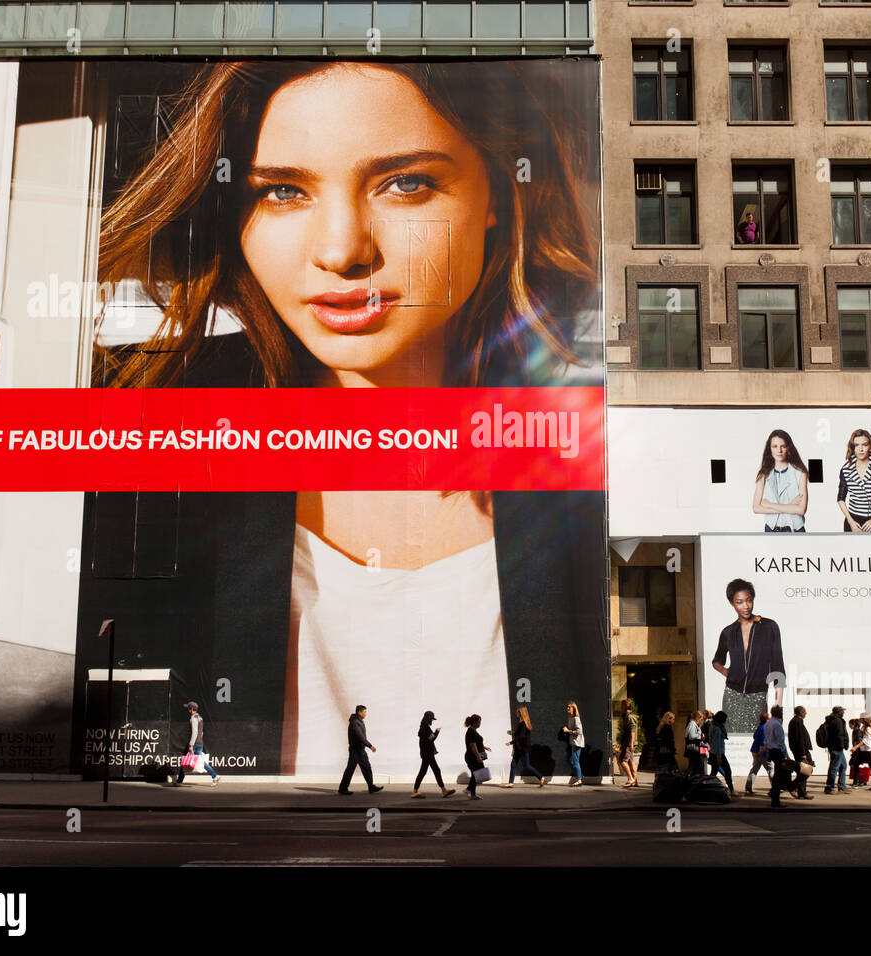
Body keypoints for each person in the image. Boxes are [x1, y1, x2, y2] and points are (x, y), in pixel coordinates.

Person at [78, 59, 607, 779]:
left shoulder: (587, 436)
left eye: (406, 183)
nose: (342, 250)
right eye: (283, 191)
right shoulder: (147, 434)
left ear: (500, 190)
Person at [712, 579, 785, 734]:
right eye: (739, 602)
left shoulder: (769, 627)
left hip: (758, 696)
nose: (745, 606)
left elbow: (778, 666)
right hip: (732, 695)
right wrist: (726, 672)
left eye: (749, 600)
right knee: (733, 744)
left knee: (758, 744)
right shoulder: (728, 632)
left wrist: (778, 709)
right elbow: (717, 660)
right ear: (732, 603)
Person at [753, 430, 808, 533]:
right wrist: (790, 506)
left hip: (795, 530)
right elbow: (756, 508)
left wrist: (769, 504)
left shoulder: (800, 473)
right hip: (771, 530)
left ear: (788, 448)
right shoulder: (763, 474)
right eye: (775, 446)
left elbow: (801, 510)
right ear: (770, 449)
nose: (779, 450)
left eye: (783, 446)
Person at [174, 701, 220, 786]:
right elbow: (201, 733)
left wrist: (191, 745)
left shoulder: (193, 718)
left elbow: (195, 732)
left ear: (191, 709)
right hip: (199, 743)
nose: (187, 709)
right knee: (200, 762)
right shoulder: (200, 718)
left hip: (194, 744)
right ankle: (214, 776)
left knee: (185, 761)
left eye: (188, 708)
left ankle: (179, 781)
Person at [339, 704, 382, 795]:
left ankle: (371, 786)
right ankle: (343, 788)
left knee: (366, 767)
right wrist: (370, 746)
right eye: (364, 712)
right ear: (359, 712)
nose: (366, 714)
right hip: (355, 750)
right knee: (350, 769)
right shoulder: (355, 722)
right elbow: (360, 736)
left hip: (360, 749)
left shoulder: (359, 721)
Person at [413, 710, 455, 798]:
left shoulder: (423, 727)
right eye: (431, 719)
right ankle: (443, 790)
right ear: (428, 718)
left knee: (425, 771)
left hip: (426, 753)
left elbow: (425, 741)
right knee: (434, 771)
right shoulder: (425, 727)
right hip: (428, 754)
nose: (432, 721)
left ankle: (416, 791)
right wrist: (436, 731)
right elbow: (431, 738)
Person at [505, 705, 545, 788]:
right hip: (519, 747)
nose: (516, 712)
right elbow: (520, 734)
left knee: (527, 766)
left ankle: (541, 777)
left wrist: (511, 742)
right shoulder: (521, 723)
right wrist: (513, 733)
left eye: (518, 711)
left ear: (521, 713)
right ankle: (511, 783)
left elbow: (521, 736)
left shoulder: (523, 724)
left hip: (523, 748)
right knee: (513, 764)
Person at [764, 705, 791, 808]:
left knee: (778, 774)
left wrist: (768, 753)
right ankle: (775, 796)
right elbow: (781, 742)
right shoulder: (777, 724)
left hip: (772, 751)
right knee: (780, 774)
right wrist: (786, 755)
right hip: (778, 751)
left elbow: (766, 740)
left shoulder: (768, 724)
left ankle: (774, 795)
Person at [788, 706, 814, 800]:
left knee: (802, 771)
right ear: (801, 712)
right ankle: (793, 787)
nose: (806, 714)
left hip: (799, 750)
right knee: (806, 771)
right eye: (805, 712)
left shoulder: (794, 721)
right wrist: (803, 753)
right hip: (801, 751)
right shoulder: (798, 721)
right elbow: (800, 738)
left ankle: (801, 792)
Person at [822, 706, 850, 794]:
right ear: (839, 712)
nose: (843, 712)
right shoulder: (837, 721)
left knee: (843, 766)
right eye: (842, 711)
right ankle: (829, 788)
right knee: (834, 768)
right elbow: (839, 735)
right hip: (837, 747)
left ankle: (841, 786)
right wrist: (842, 745)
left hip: (834, 747)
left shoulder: (831, 720)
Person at [851, 715, 871, 791]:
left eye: (860, 718)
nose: (859, 719)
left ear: (864, 719)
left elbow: (865, 741)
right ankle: (855, 783)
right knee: (856, 764)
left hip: (869, 751)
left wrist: (855, 747)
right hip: (863, 750)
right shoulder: (863, 727)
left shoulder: (868, 728)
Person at [746, 711, 774, 795]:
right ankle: (775, 787)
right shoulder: (766, 728)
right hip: (762, 752)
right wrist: (760, 751)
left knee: (754, 769)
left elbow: (754, 736)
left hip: (754, 750)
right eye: (769, 719)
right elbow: (763, 742)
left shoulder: (760, 727)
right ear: (766, 720)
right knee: (771, 769)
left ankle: (748, 787)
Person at [707, 711, 735, 795]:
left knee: (714, 772)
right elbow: (717, 744)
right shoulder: (718, 729)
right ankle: (731, 790)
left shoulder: (713, 725)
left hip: (713, 753)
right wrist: (719, 757)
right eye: (724, 719)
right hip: (718, 754)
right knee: (727, 771)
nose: (725, 721)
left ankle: (707, 788)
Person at [464, 714, 489, 800]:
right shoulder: (471, 731)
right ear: (474, 722)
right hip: (473, 757)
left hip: (477, 755)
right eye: (479, 722)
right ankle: (468, 790)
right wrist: (478, 757)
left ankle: (472, 794)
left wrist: (485, 747)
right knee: (477, 774)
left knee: (476, 775)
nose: (480, 723)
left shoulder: (473, 730)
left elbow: (477, 743)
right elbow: (472, 745)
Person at [562, 701, 586, 786]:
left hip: (577, 743)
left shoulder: (576, 718)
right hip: (572, 742)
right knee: (567, 759)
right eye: (567, 707)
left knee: (575, 761)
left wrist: (568, 731)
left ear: (574, 709)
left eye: (569, 707)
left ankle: (579, 780)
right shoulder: (570, 718)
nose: (567, 708)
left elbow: (579, 731)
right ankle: (579, 775)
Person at [616, 699, 639, 788]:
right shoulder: (626, 716)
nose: (621, 708)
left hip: (629, 743)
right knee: (630, 761)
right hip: (628, 742)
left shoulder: (630, 717)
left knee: (622, 760)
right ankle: (635, 781)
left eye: (622, 706)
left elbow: (632, 731)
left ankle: (630, 779)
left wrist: (631, 744)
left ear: (626, 706)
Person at [685, 710, 707, 777]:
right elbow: (691, 736)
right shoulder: (692, 724)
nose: (701, 720)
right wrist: (699, 734)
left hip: (694, 749)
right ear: (697, 718)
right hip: (695, 749)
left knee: (694, 766)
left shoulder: (693, 724)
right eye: (701, 719)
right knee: (699, 766)